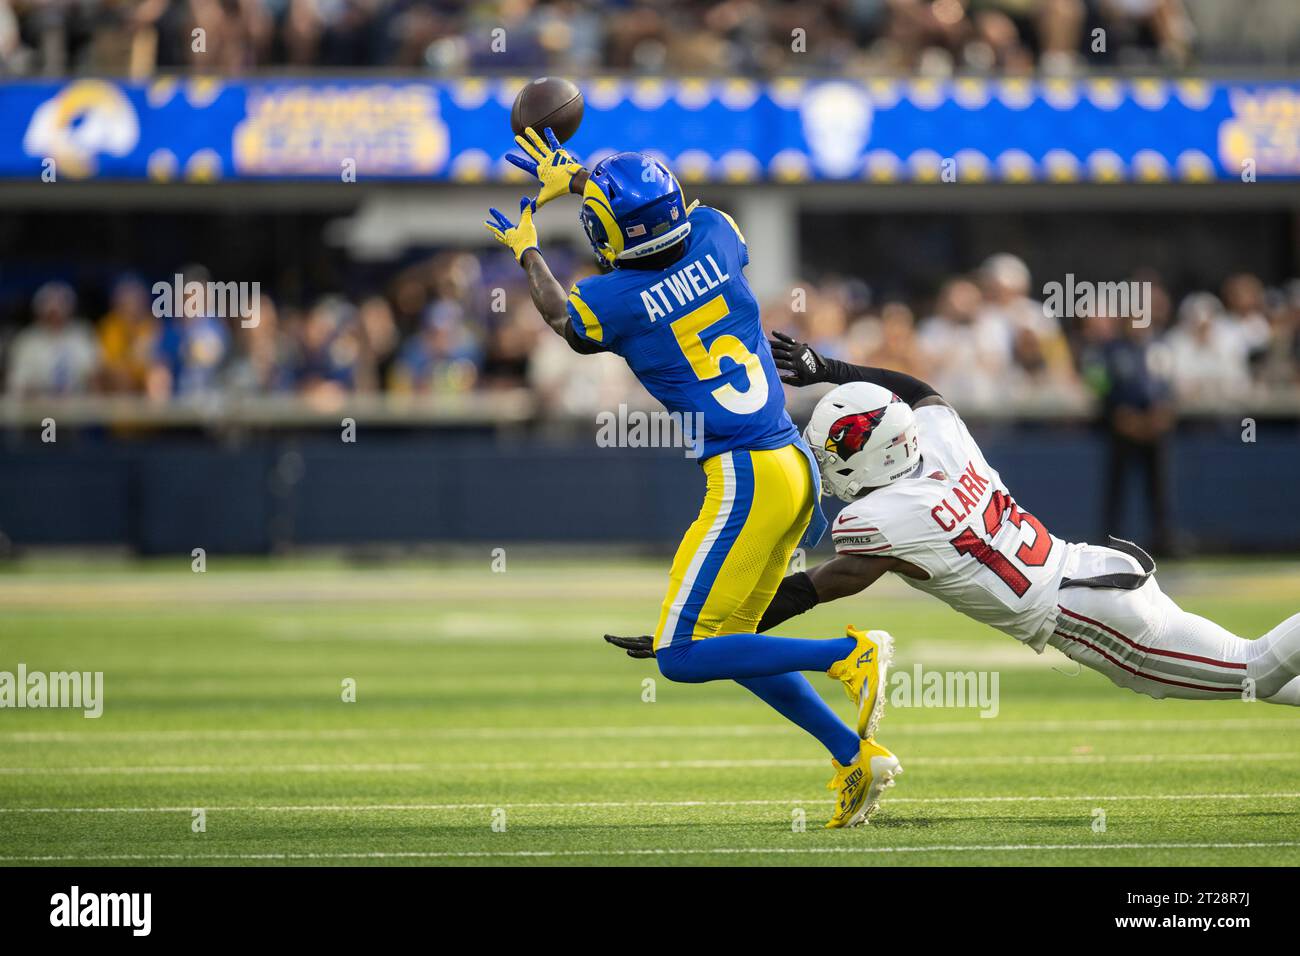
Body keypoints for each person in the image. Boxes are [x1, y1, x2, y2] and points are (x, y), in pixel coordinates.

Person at [486, 127, 899, 827]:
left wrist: (527, 244)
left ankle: (848, 654)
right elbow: (659, 227)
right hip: (791, 464)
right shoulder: (715, 231)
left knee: (681, 656)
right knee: (737, 645)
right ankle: (853, 756)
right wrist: (586, 176)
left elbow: (562, 316)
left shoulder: (613, 300)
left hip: (744, 471)